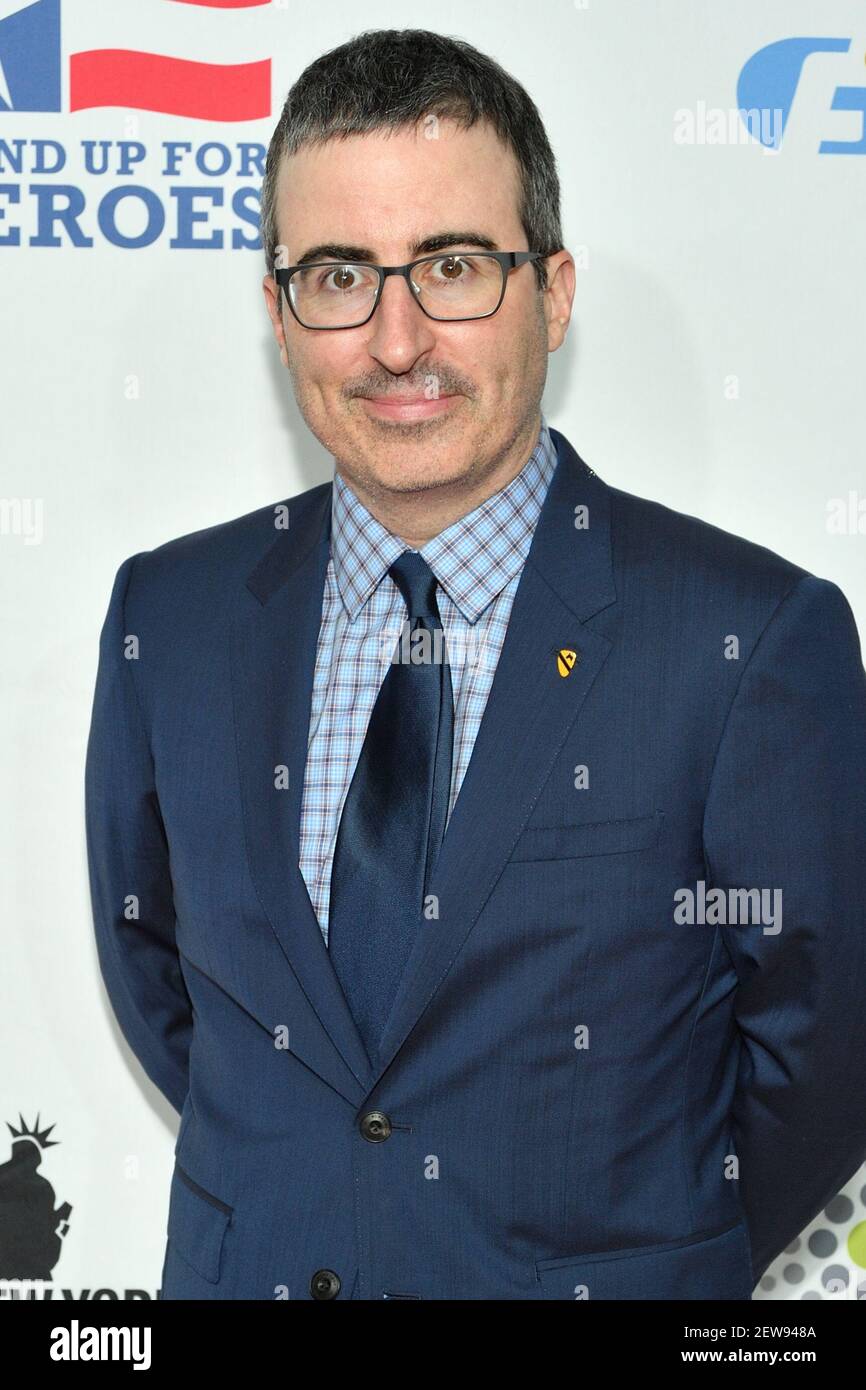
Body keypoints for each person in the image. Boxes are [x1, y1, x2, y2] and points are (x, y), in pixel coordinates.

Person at [85, 28, 866, 1301]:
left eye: (450, 266)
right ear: (278, 311)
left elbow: (821, 1054)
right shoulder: (166, 617)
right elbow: (164, 983)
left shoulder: (749, 639)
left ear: (551, 292)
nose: (396, 341)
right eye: (338, 274)